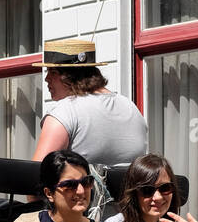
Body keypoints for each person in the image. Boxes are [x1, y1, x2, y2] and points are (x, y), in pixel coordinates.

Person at [31, 39, 147, 174]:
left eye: (53, 72)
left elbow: (37, 177)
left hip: (83, 194)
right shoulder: (130, 107)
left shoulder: (64, 112)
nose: (47, 78)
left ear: (71, 76)